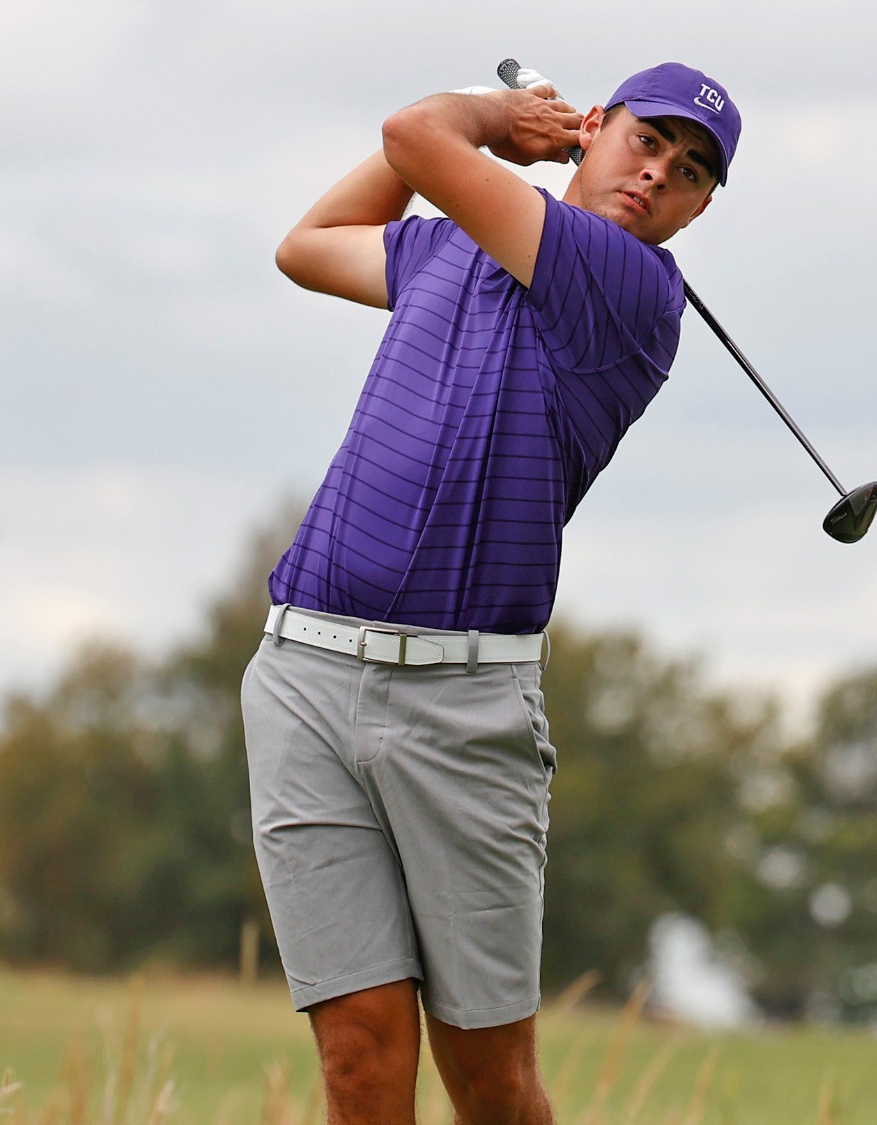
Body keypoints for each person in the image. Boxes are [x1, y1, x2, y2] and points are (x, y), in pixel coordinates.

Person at [242, 62, 741, 1124]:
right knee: (358, 1060)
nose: (657, 176)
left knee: (491, 1081)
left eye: (690, 172)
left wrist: (490, 121)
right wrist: (492, 149)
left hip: (462, 712)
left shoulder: (629, 291)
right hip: (305, 676)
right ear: (594, 130)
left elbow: (414, 136)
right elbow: (305, 247)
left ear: (699, 208)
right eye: (643, 143)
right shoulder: (447, 248)